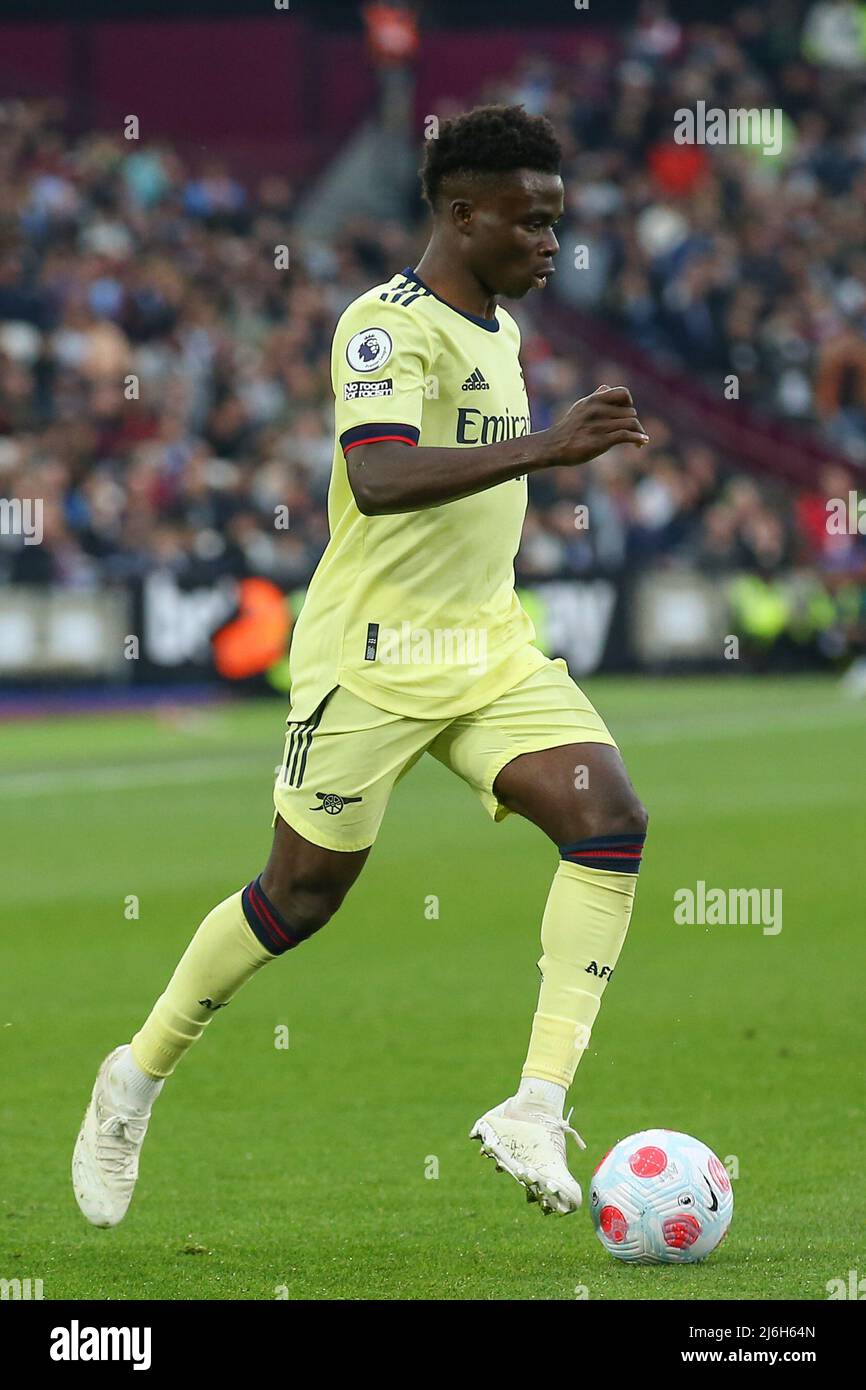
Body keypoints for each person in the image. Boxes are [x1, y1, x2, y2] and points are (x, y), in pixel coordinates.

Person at [73, 105, 649, 1226]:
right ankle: (132, 1078)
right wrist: (546, 443)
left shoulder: (502, 329)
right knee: (299, 896)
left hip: (486, 646)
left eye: (555, 222)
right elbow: (378, 478)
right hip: (372, 659)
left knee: (608, 820)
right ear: (460, 213)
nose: (548, 243)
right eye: (529, 223)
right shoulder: (381, 326)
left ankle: (534, 1104)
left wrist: (542, 447)